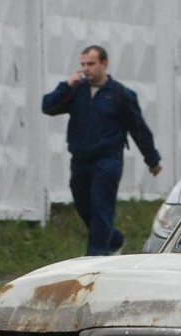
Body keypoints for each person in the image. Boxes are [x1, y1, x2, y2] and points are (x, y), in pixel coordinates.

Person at [42, 45, 162, 256]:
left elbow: (138, 128)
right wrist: (67, 84)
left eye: (91, 64)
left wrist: (152, 160)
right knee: (83, 204)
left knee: (100, 206)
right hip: (80, 159)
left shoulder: (119, 94)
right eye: (82, 64)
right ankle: (114, 239)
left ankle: (94, 258)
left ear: (103, 64)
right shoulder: (76, 91)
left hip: (108, 160)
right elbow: (48, 107)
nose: (85, 69)